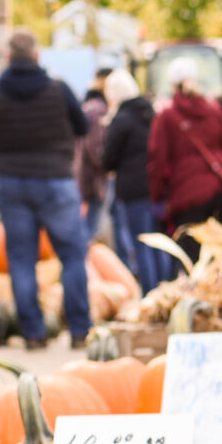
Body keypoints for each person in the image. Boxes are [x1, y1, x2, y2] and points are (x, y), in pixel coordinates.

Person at [0, 29, 92, 348]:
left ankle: (34, 335)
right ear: (37, 56)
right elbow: (83, 126)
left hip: (11, 183)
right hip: (56, 181)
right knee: (73, 256)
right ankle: (80, 331)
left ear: (8, 57)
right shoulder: (58, 90)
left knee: (21, 260)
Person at [148, 56, 222, 266]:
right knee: (221, 260)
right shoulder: (213, 108)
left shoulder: (167, 115)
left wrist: (157, 195)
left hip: (188, 198)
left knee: (193, 263)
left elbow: (157, 159)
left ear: (173, 85)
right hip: (219, 193)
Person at [99, 70, 166, 292]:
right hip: (157, 186)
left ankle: (150, 293)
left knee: (142, 243)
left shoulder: (121, 119)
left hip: (133, 189)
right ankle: (166, 288)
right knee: (160, 241)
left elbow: (108, 159)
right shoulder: (152, 113)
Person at [75, 67, 112, 242]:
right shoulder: (97, 109)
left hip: (86, 173)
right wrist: (106, 165)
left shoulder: (88, 106)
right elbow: (95, 146)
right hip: (93, 177)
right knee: (91, 225)